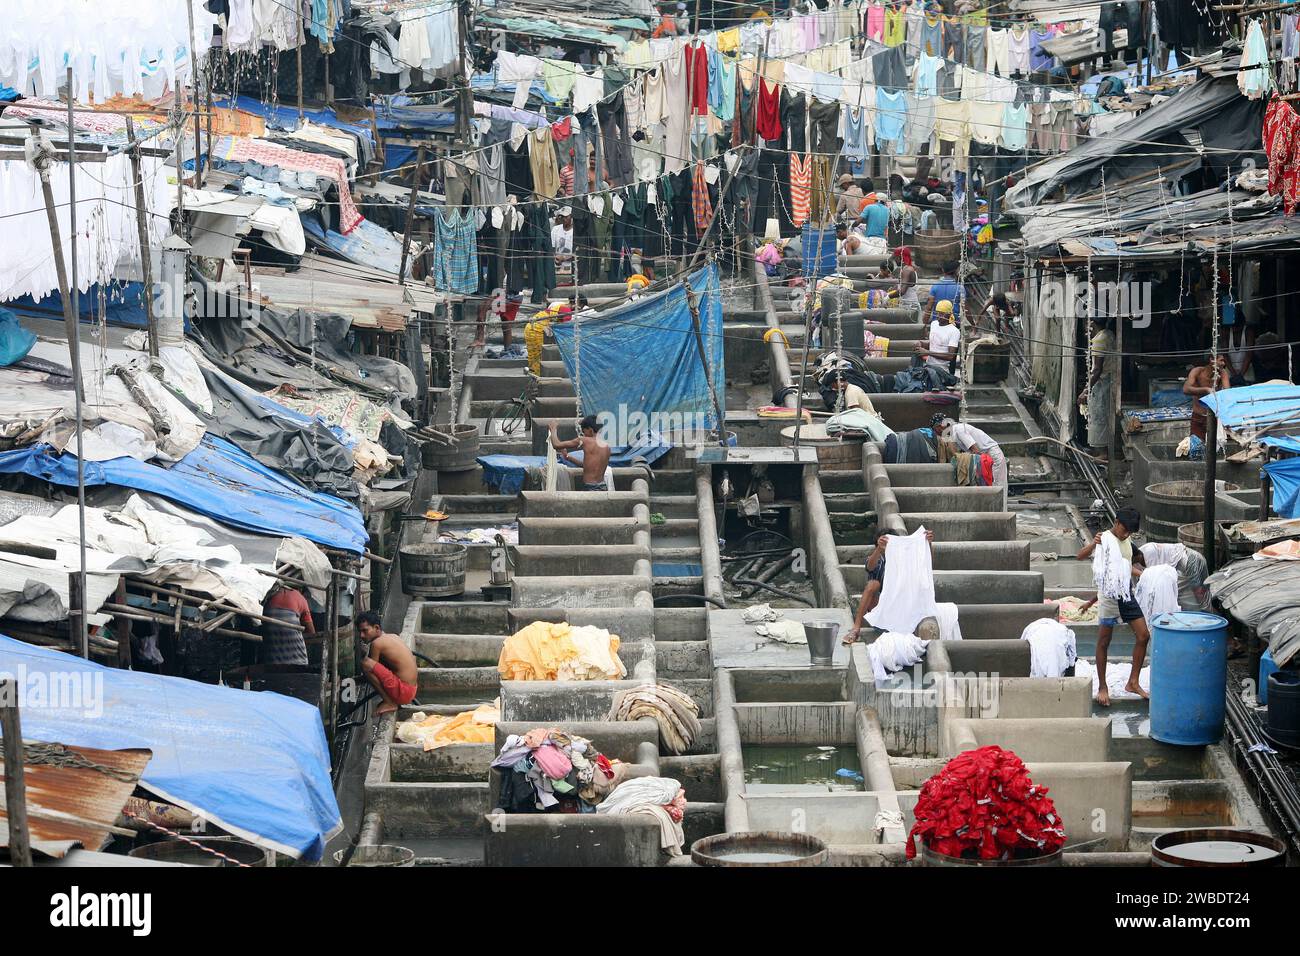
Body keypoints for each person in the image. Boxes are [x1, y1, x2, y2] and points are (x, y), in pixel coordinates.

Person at [1077, 509, 1150, 706]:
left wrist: (1145, 574)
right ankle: (1103, 686)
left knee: (1144, 636)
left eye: (1130, 533)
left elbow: (1124, 568)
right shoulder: (1105, 539)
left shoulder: (1128, 542)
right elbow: (1080, 556)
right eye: (1125, 530)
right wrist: (1093, 543)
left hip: (1125, 594)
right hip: (1109, 598)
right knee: (1103, 642)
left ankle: (1133, 682)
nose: (1126, 535)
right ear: (1116, 522)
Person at [843, 530, 935, 644]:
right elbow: (870, 566)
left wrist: (927, 544)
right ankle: (856, 627)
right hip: (880, 610)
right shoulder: (879, 559)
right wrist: (879, 549)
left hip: (902, 609)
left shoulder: (905, 559)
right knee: (873, 584)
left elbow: (924, 564)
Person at [358, 610, 419, 714]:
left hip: (403, 692)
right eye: (360, 632)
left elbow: (370, 671)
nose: (361, 635)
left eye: (365, 631)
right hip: (412, 690)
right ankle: (390, 700)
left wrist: (353, 681)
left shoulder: (377, 643)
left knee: (366, 663)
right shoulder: (393, 636)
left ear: (376, 628)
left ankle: (389, 702)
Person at [1078, 318, 1118, 460]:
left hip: (1103, 382)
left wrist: (1085, 390)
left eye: (1085, 323)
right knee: (1105, 414)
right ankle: (1100, 450)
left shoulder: (1099, 340)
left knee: (1098, 415)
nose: (1084, 327)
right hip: (1111, 380)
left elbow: (1096, 370)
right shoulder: (1109, 334)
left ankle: (1103, 453)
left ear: (1092, 323)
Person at [932, 414, 1007, 487]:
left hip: (992, 455)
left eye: (935, 430)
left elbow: (975, 450)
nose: (936, 433)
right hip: (987, 455)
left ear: (940, 427)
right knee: (993, 485)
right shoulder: (954, 432)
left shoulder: (959, 429)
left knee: (997, 486)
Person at [548, 415, 611, 490]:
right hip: (603, 487)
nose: (584, 435)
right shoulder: (607, 447)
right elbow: (587, 466)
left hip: (590, 488)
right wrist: (567, 457)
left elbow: (556, 445)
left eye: (584, 432)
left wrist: (553, 429)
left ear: (590, 430)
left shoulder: (584, 440)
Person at [262, 583, 316, 668]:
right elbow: (311, 632)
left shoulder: (270, 595)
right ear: (300, 589)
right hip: (296, 661)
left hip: (272, 660)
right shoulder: (300, 597)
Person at [1183, 353, 1231, 441]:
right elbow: (1186, 389)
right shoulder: (1197, 371)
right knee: (1196, 446)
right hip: (1198, 417)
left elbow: (1227, 393)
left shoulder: (1222, 373)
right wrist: (1206, 390)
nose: (1224, 364)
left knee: (1217, 446)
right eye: (1221, 360)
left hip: (1214, 417)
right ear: (1211, 360)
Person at [916, 300, 960, 373]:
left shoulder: (954, 331)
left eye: (942, 314)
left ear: (949, 314)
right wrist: (921, 344)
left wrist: (928, 352)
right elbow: (935, 344)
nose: (939, 316)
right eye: (937, 313)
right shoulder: (934, 324)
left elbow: (950, 356)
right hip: (928, 365)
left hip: (942, 370)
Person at [924, 260, 965, 324]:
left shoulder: (935, 287)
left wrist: (924, 325)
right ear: (957, 272)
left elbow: (929, 308)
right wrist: (974, 325)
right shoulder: (960, 288)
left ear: (943, 270)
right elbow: (965, 309)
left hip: (937, 322)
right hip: (954, 322)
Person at [1223, 321, 1255, 387]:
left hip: (1246, 368)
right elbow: (1225, 355)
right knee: (1226, 387)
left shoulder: (1248, 331)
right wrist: (1234, 374)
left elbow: (1249, 355)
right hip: (1230, 368)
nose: (1235, 329)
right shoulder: (1226, 332)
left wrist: (1241, 375)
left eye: (1237, 326)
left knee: (1249, 388)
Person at [551, 207, 574, 273]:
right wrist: (555, 257)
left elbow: (578, 252)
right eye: (562, 217)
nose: (564, 219)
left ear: (571, 217)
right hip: (557, 268)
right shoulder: (555, 229)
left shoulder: (575, 231)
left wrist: (564, 258)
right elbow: (551, 247)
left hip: (571, 268)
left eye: (566, 217)